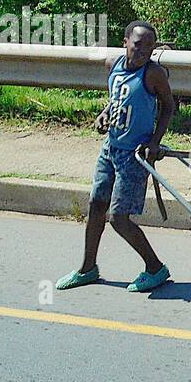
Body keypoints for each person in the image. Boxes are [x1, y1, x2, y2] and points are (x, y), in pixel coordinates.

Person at [57, 21, 177, 294]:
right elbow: (116, 100)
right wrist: (104, 115)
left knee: (119, 218)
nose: (143, 51)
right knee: (96, 205)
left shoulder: (153, 74)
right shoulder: (113, 65)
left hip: (134, 156)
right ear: (125, 42)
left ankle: (155, 268)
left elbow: (169, 108)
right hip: (110, 149)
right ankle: (87, 268)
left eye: (150, 46)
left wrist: (154, 142)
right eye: (138, 45)